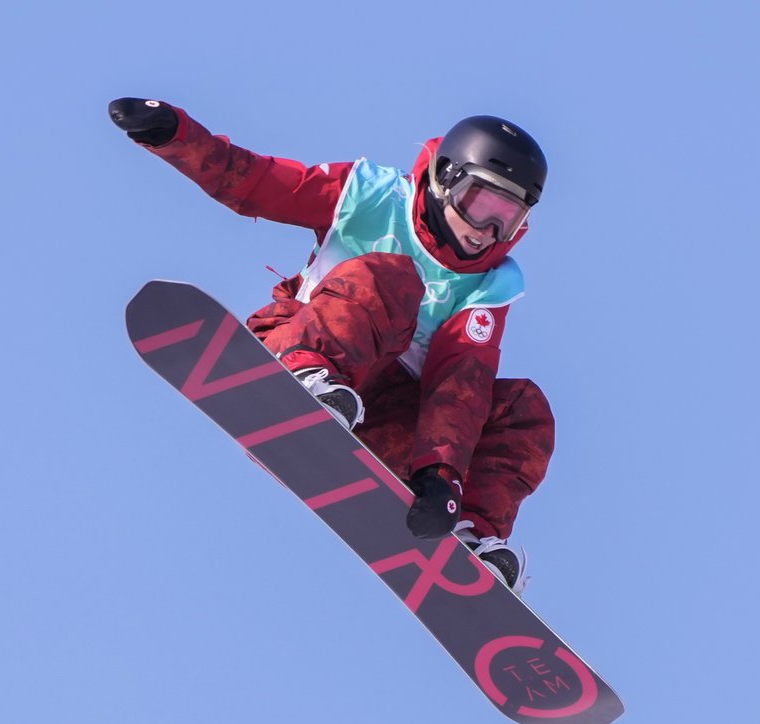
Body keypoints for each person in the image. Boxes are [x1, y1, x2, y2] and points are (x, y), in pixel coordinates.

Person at [109, 98, 554, 594]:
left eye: (507, 219)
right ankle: (305, 383)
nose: (485, 232)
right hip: (298, 348)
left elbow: (460, 387)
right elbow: (256, 181)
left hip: (380, 419)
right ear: (446, 178)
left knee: (522, 409)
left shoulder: (491, 285)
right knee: (391, 277)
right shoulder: (370, 196)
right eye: (480, 204)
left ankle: (470, 538)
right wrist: (177, 135)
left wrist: (441, 478)